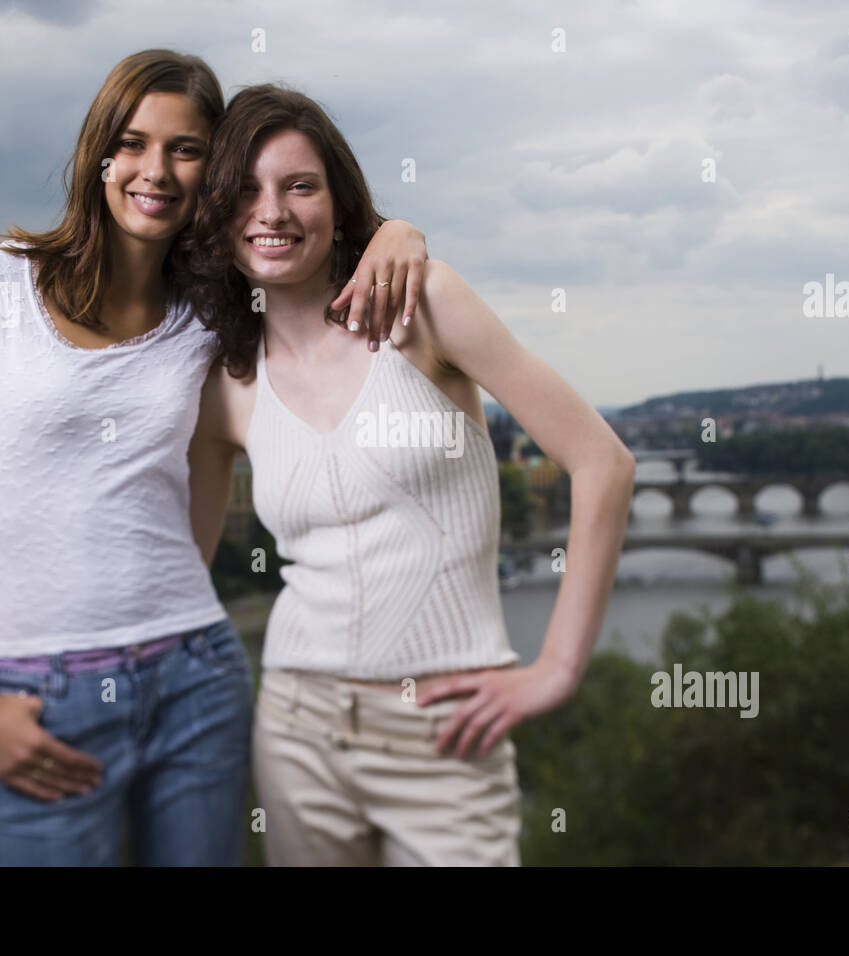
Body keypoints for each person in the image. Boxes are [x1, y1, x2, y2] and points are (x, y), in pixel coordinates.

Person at [0, 50, 427, 866]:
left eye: (186, 149)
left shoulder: (211, 319)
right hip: (37, 692)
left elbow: (319, 262)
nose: (155, 170)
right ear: (99, 154)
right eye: (132, 143)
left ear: (212, 175)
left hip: (195, 675)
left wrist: (401, 233)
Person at [182, 85, 637, 865]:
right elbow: (176, 560)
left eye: (299, 185)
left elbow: (604, 462)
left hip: (447, 726)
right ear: (218, 213)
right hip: (296, 728)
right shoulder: (226, 385)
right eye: (245, 191)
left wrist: (557, 668)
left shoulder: (424, 306)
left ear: (338, 202)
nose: (272, 212)